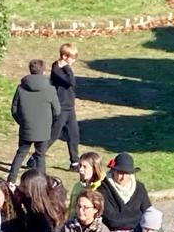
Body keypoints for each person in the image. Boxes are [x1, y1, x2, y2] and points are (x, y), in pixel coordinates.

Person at [8, 59, 60, 183]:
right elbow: (57, 111)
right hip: (43, 129)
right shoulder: (50, 89)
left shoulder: (21, 88)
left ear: (30, 70)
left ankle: (11, 179)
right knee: (40, 155)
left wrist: (22, 122)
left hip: (26, 128)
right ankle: (42, 182)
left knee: (21, 153)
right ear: (43, 70)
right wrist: (49, 123)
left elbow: (14, 109)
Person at [48, 43, 81, 171]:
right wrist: (66, 67)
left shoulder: (65, 68)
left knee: (74, 134)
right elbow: (71, 82)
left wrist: (66, 67)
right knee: (54, 134)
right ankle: (36, 157)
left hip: (69, 107)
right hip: (61, 107)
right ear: (64, 56)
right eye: (72, 57)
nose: (74, 60)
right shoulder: (56, 69)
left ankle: (74, 162)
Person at [68, 152, 103, 216]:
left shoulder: (102, 188)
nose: (80, 170)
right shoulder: (77, 186)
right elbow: (71, 209)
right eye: (80, 166)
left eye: (85, 167)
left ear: (94, 169)